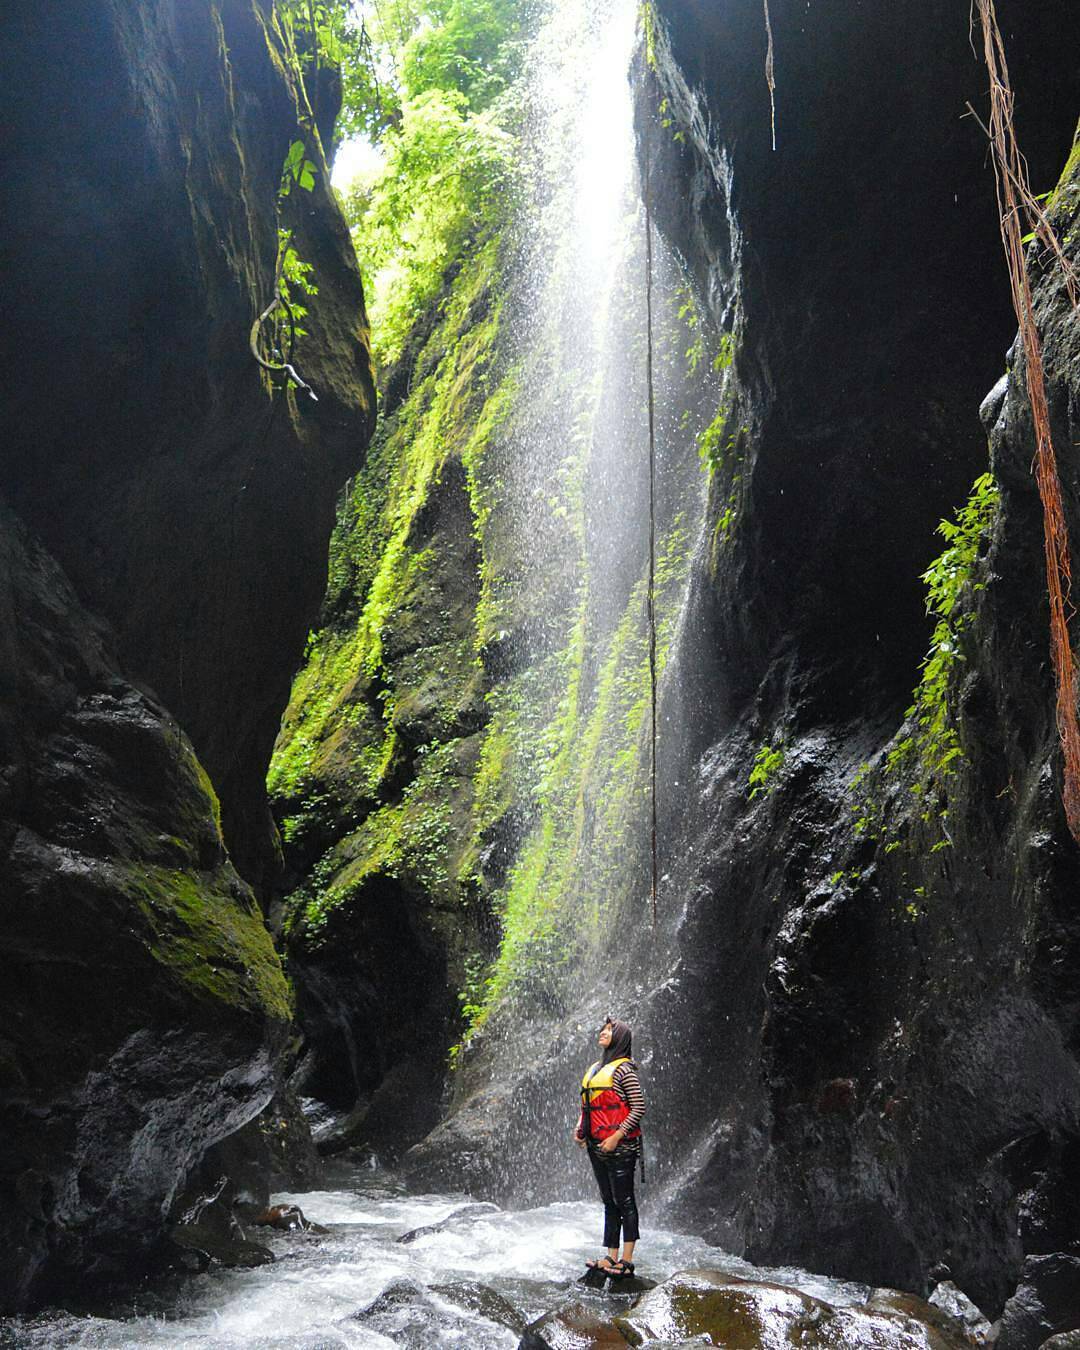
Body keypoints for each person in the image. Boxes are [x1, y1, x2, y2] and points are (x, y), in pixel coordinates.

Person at [574, 1016, 645, 1277]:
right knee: (609, 1201)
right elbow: (589, 1106)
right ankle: (609, 1256)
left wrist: (617, 1136)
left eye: (609, 1031)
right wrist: (581, 1129)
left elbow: (638, 1107)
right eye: (603, 1030)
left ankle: (626, 1261)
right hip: (596, 1146)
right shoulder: (595, 1069)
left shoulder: (625, 1070)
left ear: (620, 1038)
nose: (603, 1033)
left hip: (621, 1147)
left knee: (625, 1200)